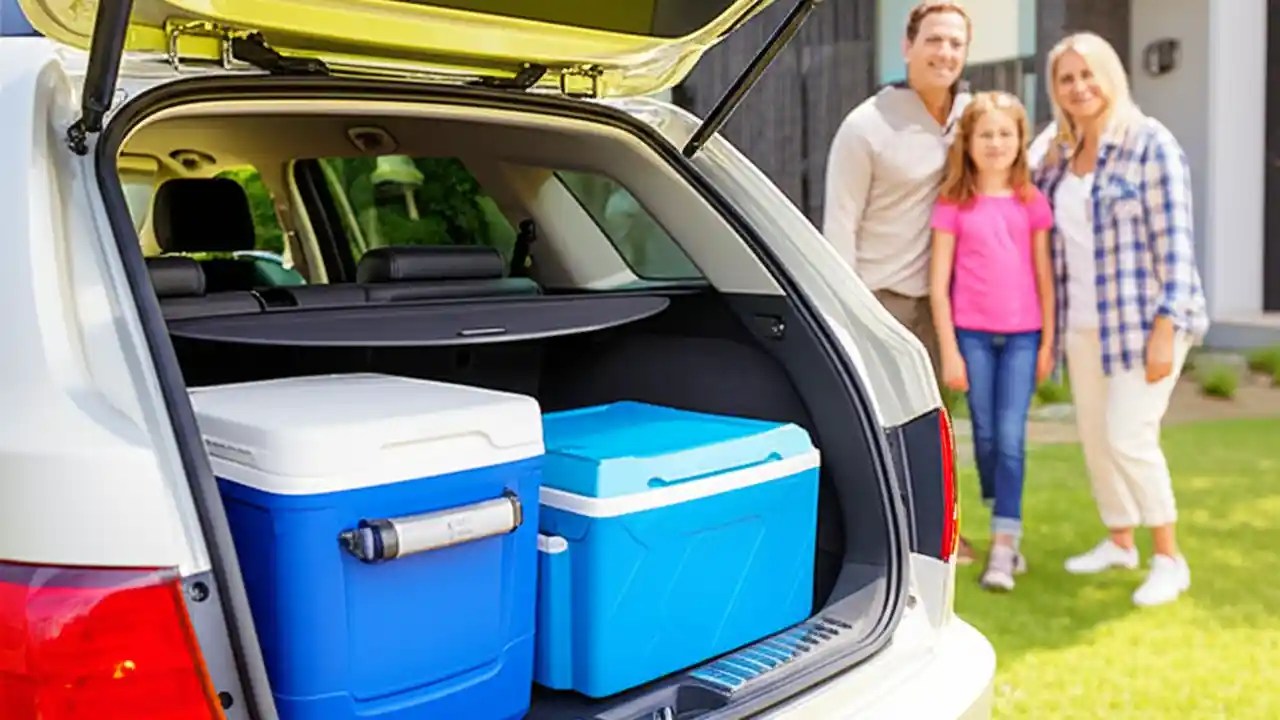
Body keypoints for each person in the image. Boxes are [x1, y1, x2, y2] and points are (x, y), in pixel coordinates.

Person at [1029, 32, 1209, 607]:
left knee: (1129, 435)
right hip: (1084, 325)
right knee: (1095, 440)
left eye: (1089, 74)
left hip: (1145, 322)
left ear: (1111, 75)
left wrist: (1167, 327)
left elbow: (1177, 245)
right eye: (1066, 78)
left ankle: (1168, 557)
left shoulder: (1150, 143)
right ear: (1055, 90)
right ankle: (1120, 540)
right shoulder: (1057, 155)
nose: (1079, 87)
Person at [821, 1, 977, 562]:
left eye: (956, 43)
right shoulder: (868, 125)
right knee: (884, 428)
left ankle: (943, 541)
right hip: (880, 301)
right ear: (907, 47)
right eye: (934, 40)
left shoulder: (969, 118)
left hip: (943, 306)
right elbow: (839, 223)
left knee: (937, 430)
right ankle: (888, 544)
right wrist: (849, 316)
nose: (945, 53)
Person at [928, 92, 1056, 591]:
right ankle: (1001, 502)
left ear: (1021, 140)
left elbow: (1045, 278)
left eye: (1006, 134)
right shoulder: (954, 203)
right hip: (972, 336)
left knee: (1010, 438)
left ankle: (1004, 546)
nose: (996, 143)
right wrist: (949, 349)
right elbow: (939, 284)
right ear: (970, 142)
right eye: (986, 134)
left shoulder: (1032, 202)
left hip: (1024, 336)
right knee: (983, 438)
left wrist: (1048, 343)